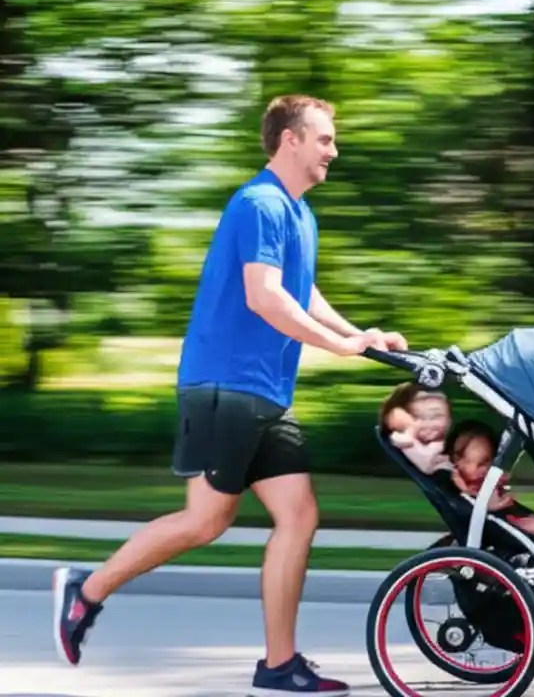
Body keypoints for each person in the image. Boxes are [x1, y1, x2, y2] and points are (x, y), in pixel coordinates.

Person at [51, 94, 406, 697]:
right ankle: (86, 592)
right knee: (205, 521)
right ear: (289, 140)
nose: (333, 150)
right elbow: (265, 298)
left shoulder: (297, 213)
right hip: (226, 387)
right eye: (324, 139)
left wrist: (360, 337)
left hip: (266, 392)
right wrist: (336, 348)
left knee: (299, 514)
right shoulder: (259, 203)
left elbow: (302, 290)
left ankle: (278, 665)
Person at [447, 419, 534, 557]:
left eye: (488, 462)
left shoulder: (483, 494)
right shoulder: (468, 501)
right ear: (456, 462)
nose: (485, 471)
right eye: (479, 464)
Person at [380, 382, 452, 475]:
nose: (428, 423)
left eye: (437, 416)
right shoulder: (403, 439)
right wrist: (409, 425)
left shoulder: (440, 443)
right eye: (418, 416)